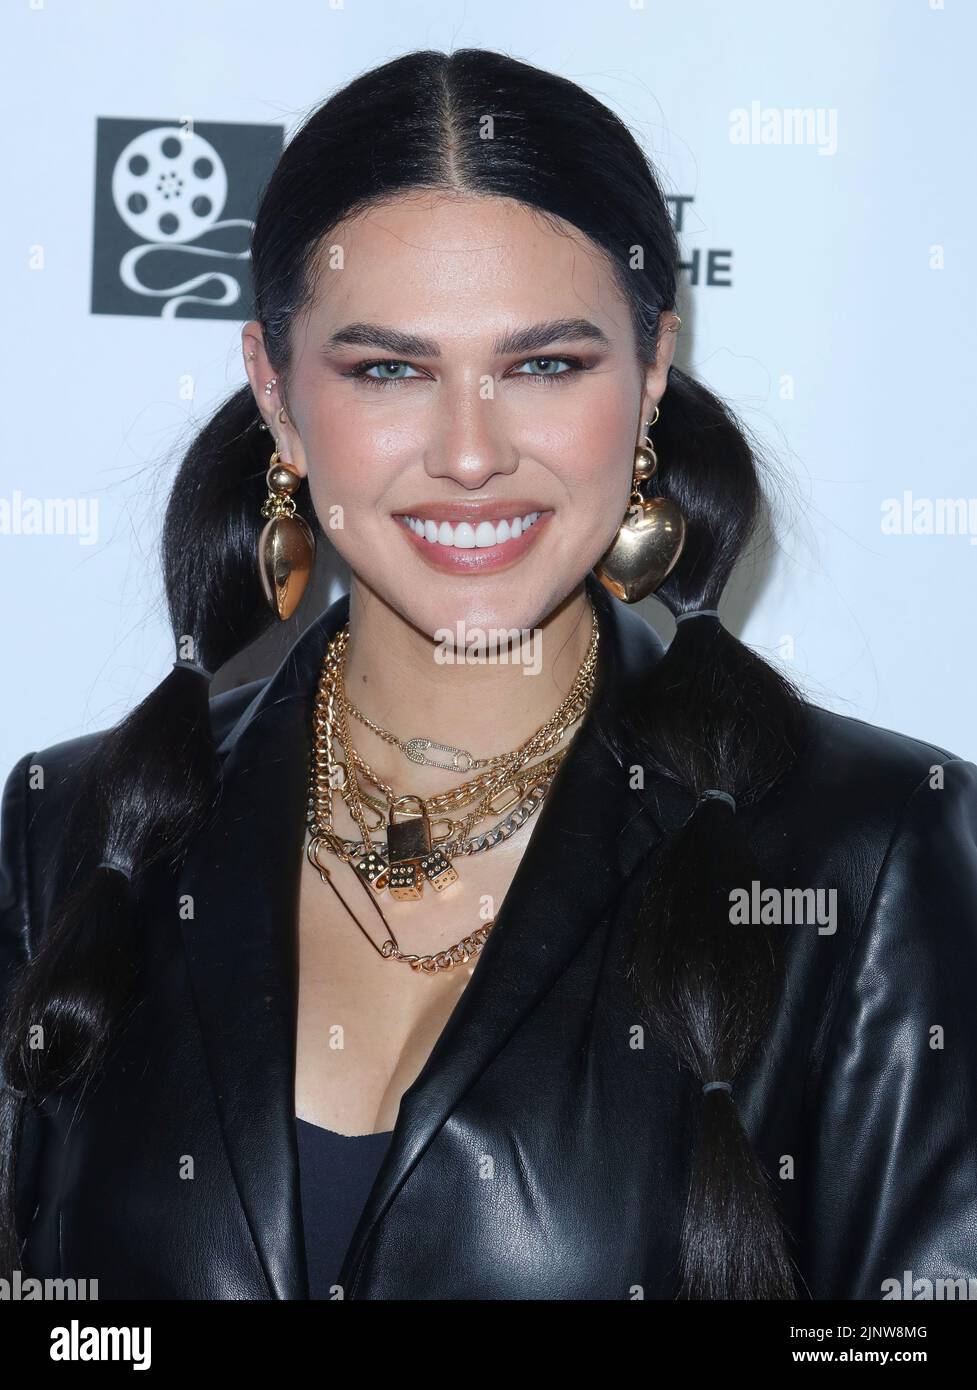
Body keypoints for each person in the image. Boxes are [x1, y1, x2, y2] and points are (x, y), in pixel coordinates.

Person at [1, 48, 976, 1303]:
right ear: (278, 398)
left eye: (545, 365)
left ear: (651, 374)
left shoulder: (867, 846)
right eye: (388, 370)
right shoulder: (66, 833)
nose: (471, 453)